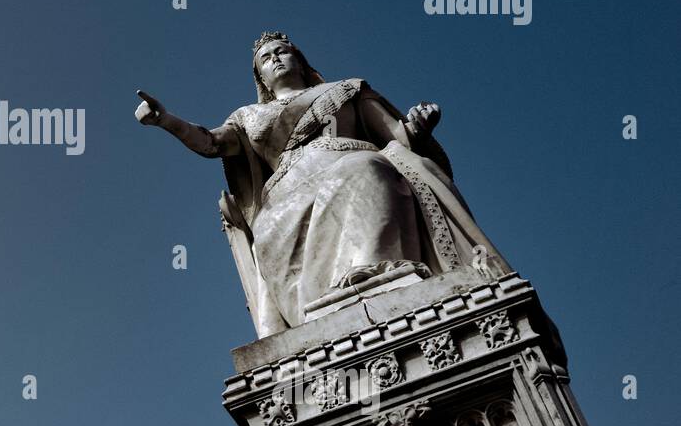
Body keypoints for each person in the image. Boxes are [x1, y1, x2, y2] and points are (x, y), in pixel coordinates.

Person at [135, 31, 510, 336]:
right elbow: (209, 142)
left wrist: (417, 125)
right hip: (284, 197)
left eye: (283, 51)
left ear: (300, 59)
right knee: (268, 226)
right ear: (260, 78)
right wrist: (166, 120)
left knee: (366, 169)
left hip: (349, 160)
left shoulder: (346, 90)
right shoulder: (249, 116)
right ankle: (320, 303)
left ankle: (371, 275)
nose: (276, 59)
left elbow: (396, 137)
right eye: (267, 58)